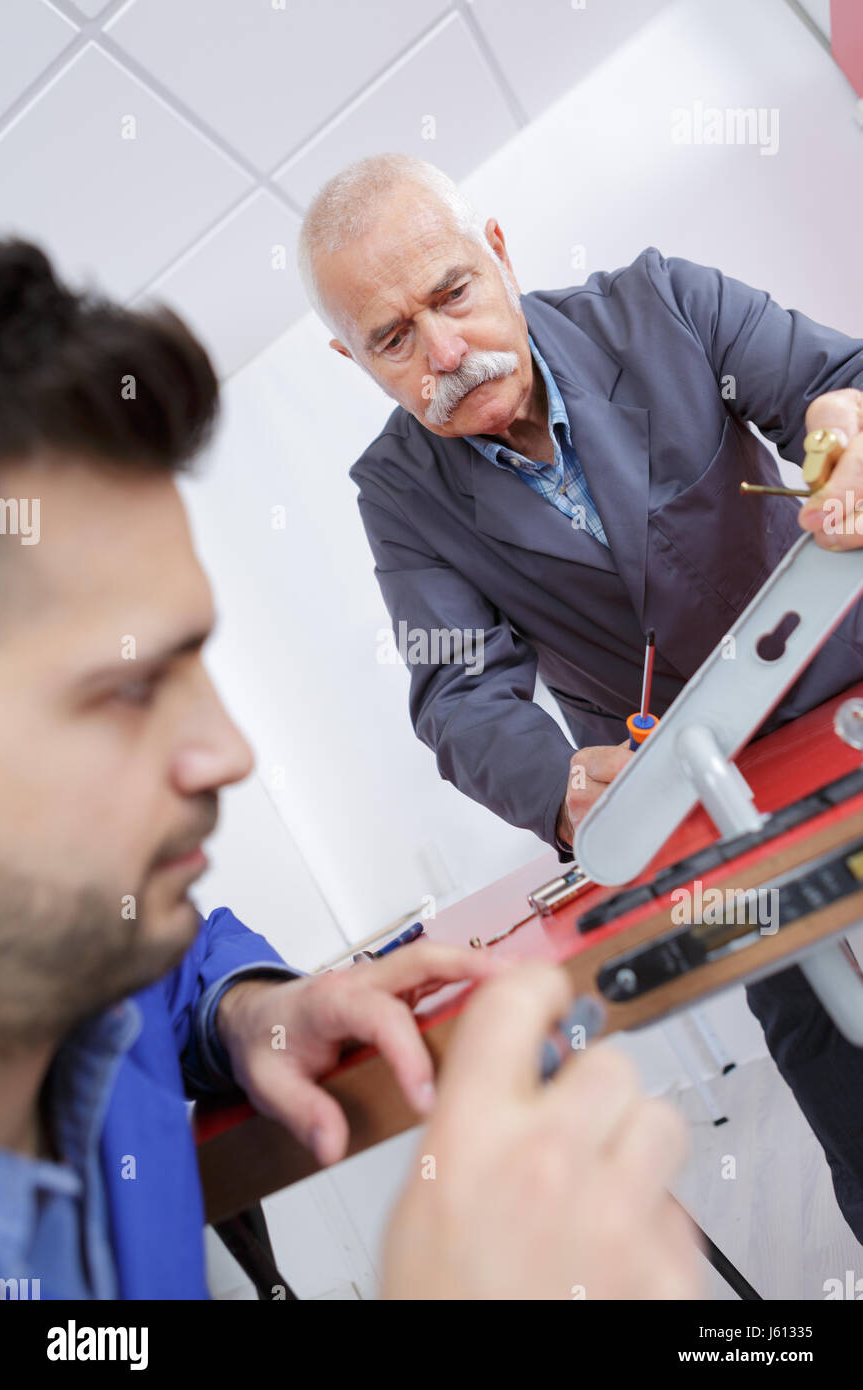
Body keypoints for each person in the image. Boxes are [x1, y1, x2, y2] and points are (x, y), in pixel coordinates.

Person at [0, 239, 699, 1301]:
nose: (228, 753)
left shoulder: (83, 951)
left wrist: (255, 1009)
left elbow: (171, 979)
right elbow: (458, 695)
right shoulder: (401, 489)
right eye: (124, 688)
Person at [297, 152, 863, 1242]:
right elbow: (458, 690)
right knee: (825, 1050)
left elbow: (833, 377)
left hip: (851, 694)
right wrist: (558, 785)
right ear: (352, 360)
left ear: (497, 252)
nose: (444, 352)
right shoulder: (398, 494)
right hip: (697, 802)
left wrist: (852, 425)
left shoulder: (662, 302)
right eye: (393, 339)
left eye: (451, 293)